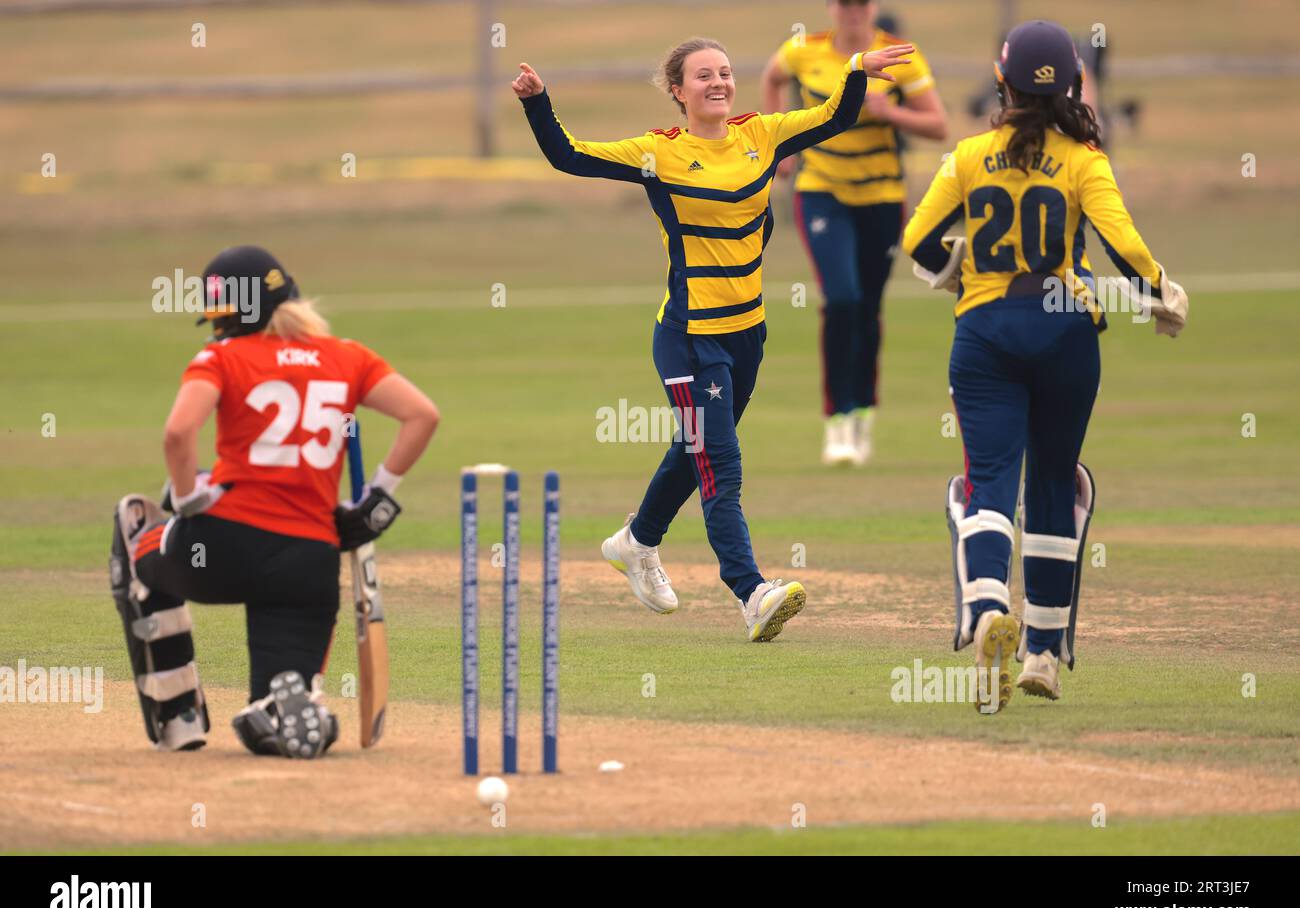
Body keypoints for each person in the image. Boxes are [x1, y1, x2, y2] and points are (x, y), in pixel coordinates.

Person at [513, 37, 913, 641]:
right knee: (720, 463)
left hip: (747, 336)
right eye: (703, 76)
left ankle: (636, 542)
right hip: (689, 340)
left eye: (725, 72)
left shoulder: (763, 135)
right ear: (678, 91)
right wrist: (539, 103)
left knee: (694, 450)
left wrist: (856, 69)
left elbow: (835, 115)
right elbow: (571, 156)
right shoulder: (656, 153)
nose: (718, 83)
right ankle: (751, 592)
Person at [901, 21, 1187, 711]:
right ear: (1075, 85)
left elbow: (916, 241)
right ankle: (1040, 656)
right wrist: (1162, 294)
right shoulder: (1085, 157)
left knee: (990, 481)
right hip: (1065, 333)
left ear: (1002, 83)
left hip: (986, 334)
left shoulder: (969, 154)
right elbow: (1123, 245)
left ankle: (988, 606)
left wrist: (953, 272)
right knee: (1055, 481)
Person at [110, 246, 439, 755]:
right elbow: (423, 415)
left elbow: (178, 433)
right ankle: (290, 709)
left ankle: (180, 718)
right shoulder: (349, 356)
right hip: (308, 559)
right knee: (280, 714)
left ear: (227, 316)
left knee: (135, 524)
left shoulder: (221, 357)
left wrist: (186, 496)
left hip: (222, 548)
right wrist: (377, 502)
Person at [761, 0, 947, 466]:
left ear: (873, 7)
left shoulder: (901, 55)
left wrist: (891, 113)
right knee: (840, 298)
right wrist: (776, 144)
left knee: (867, 306)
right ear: (831, 8)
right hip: (821, 191)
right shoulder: (805, 50)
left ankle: (863, 410)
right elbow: (772, 77)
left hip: (882, 197)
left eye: (860, 4)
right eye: (844, 4)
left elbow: (938, 125)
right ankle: (837, 420)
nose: (852, 12)